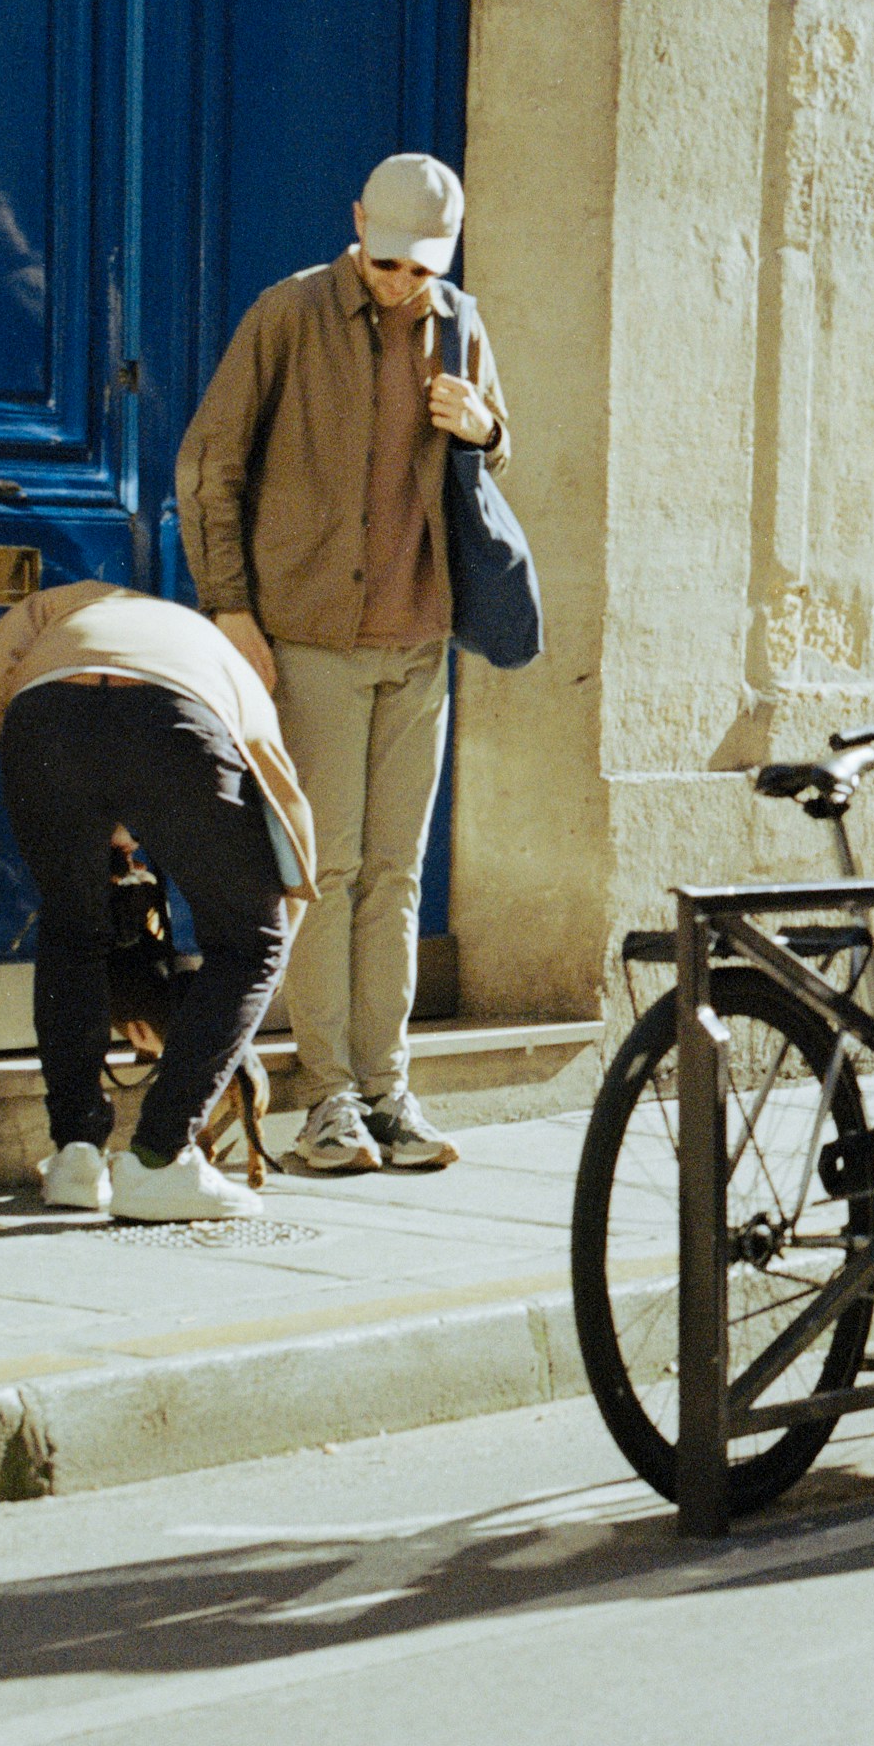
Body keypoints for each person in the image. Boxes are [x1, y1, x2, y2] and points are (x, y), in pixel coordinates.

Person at [178, 151, 510, 1177]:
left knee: (397, 875)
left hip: (418, 637)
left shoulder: (459, 322)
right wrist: (231, 609)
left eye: (419, 267)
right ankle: (325, 1097)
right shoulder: (287, 315)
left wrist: (485, 429)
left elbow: (493, 458)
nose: (400, 282)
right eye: (385, 259)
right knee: (325, 870)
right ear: (356, 220)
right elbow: (210, 462)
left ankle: (389, 1090)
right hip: (311, 632)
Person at [0, 580, 316, 1222]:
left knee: (72, 932)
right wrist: (292, 889)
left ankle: (74, 1157)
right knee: (251, 945)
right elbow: (262, 755)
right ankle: (159, 1158)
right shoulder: (198, 638)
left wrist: (84, 804)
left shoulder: (52, 609)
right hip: (178, 720)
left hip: (42, 724)